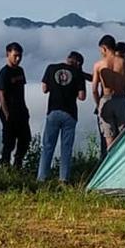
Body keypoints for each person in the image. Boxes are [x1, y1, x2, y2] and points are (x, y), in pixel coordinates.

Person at [38, 51, 87, 183]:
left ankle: (42, 178)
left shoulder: (51, 68)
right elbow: (82, 97)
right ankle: (63, 179)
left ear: (67, 58)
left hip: (53, 111)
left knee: (48, 146)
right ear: (78, 63)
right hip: (70, 114)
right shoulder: (78, 74)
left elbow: (44, 89)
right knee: (66, 148)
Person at [92, 34, 125, 153]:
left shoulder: (98, 65)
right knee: (124, 136)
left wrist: (98, 104)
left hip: (106, 99)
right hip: (121, 100)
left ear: (104, 48)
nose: (101, 53)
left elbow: (94, 89)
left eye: (101, 50)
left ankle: (110, 165)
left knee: (109, 138)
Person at [0, 42, 30, 168]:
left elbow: (21, 91)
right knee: (9, 142)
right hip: (9, 111)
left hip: (21, 110)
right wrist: (7, 115)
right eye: (15, 55)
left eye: (20, 56)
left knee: (25, 139)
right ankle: (5, 166)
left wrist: (25, 109)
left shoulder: (20, 71)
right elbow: (1, 95)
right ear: (8, 54)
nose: (18, 59)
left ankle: (17, 164)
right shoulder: (4, 73)